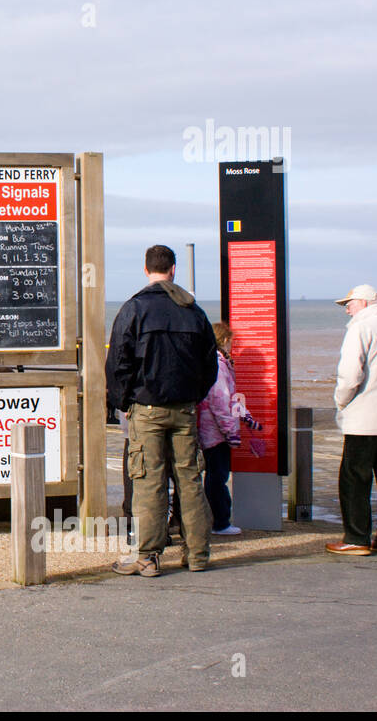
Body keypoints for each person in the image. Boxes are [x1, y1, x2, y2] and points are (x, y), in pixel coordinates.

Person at [105, 245, 218, 576]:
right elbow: (210, 364)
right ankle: (197, 554)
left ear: (146, 270)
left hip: (147, 407)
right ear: (173, 270)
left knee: (148, 482)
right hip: (184, 409)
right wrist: (194, 397)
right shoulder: (193, 310)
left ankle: (149, 556)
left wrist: (123, 402)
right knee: (190, 479)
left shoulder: (134, 308)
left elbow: (118, 364)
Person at [326, 285, 377, 556]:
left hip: (363, 417)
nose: (347, 309)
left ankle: (356, 537)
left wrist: (340, 400)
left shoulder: (360, 328)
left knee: (354, 477)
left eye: (349, 303)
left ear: (363, 302)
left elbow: (350, 375)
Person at [197, 321, 262, 536]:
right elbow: (220, 401)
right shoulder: (219, 364)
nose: (232, 346)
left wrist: (246, 416)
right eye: (231, 342)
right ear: (224, 341)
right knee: (217, 477)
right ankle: (220, 522)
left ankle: (213, 520)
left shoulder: (210, 362)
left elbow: (229, 400)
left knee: (213, 476)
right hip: (215, 433)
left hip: (208, 429)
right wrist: (231, 432)